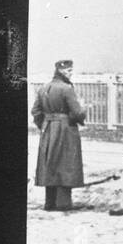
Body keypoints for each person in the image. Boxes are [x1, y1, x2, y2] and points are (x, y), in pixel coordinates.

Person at [32, 58, 86, 210]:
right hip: (65, 129)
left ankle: (49, 203)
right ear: (61, 71)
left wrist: (43, 124)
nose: (71, 73)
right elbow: (77, 112)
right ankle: (63, 204)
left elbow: (35, 111)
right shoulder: (66, 88)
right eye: (69, 71)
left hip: (48, 129)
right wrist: (82, 114)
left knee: (50, 164)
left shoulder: (44, 88)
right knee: (65, 163)